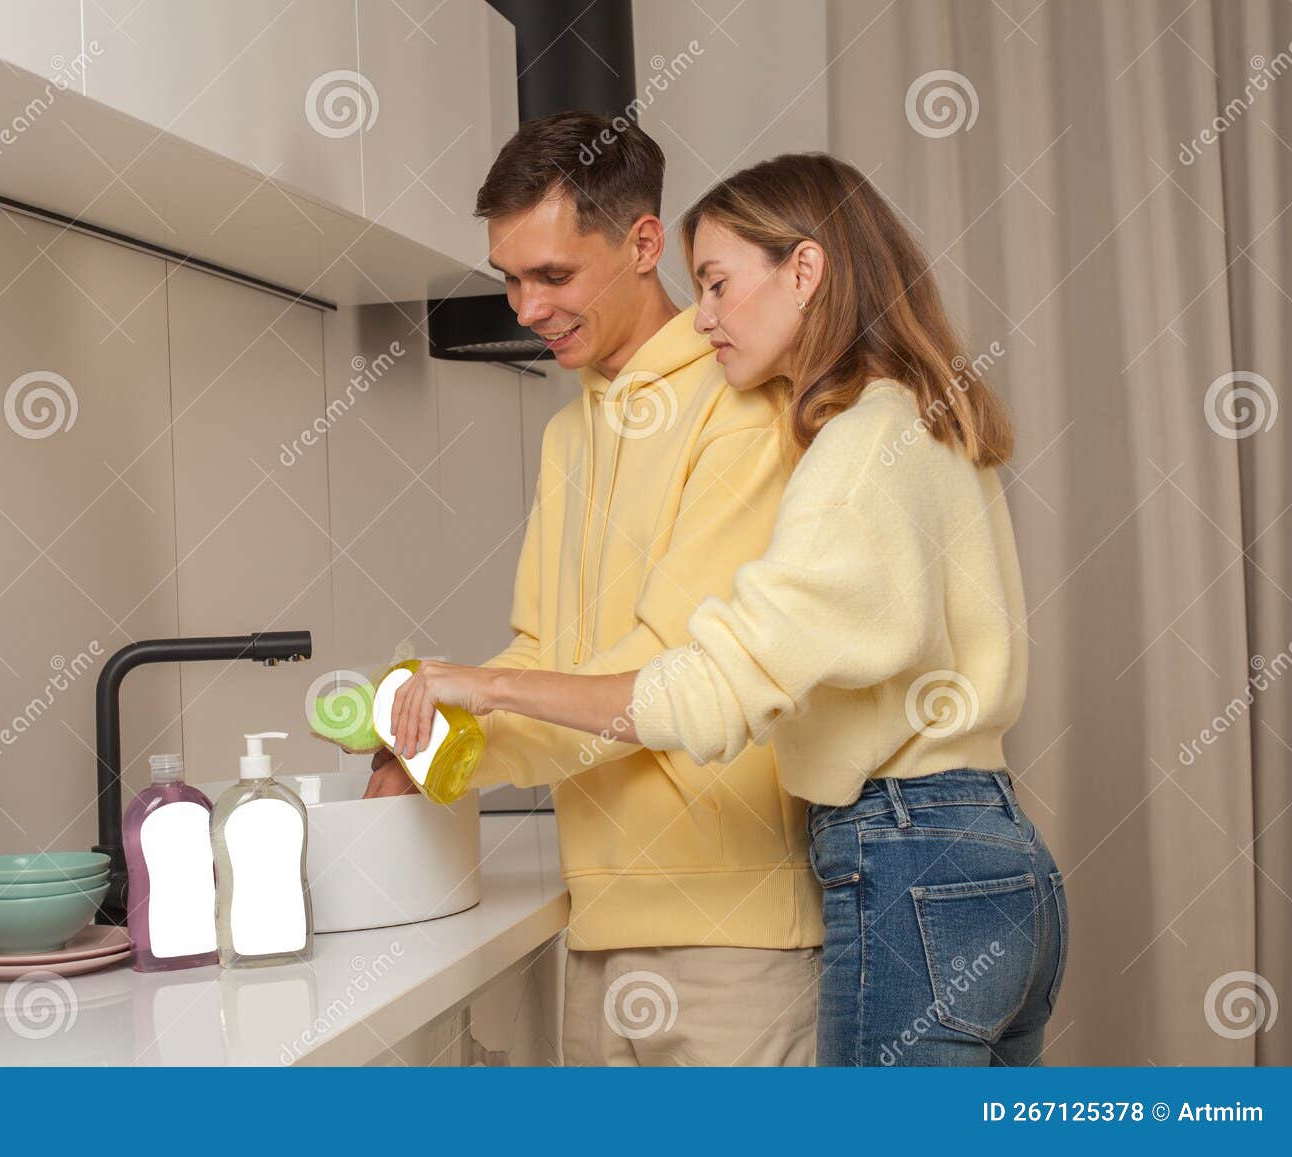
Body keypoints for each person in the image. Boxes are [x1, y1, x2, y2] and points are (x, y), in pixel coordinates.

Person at [383, 152, 1069, 1067]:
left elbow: (708, 681)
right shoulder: (909, 418)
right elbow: (570, 651)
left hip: (891, 859)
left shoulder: (817, 426)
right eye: (510, 279)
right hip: (977, 849)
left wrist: (491, 686)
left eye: (716, 283)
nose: (706, 314)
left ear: (805, 269)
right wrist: (443, 739)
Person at [366, 113, 823, 1066]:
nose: (525, 308)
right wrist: (431, 742)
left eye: (553, 276)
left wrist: (475, 697)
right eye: (509, 278)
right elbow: (544, 658)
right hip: (599, 920)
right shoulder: (568, 436)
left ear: (645, 242)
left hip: (734, 939)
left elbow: (671, 672)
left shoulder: (741, 408)